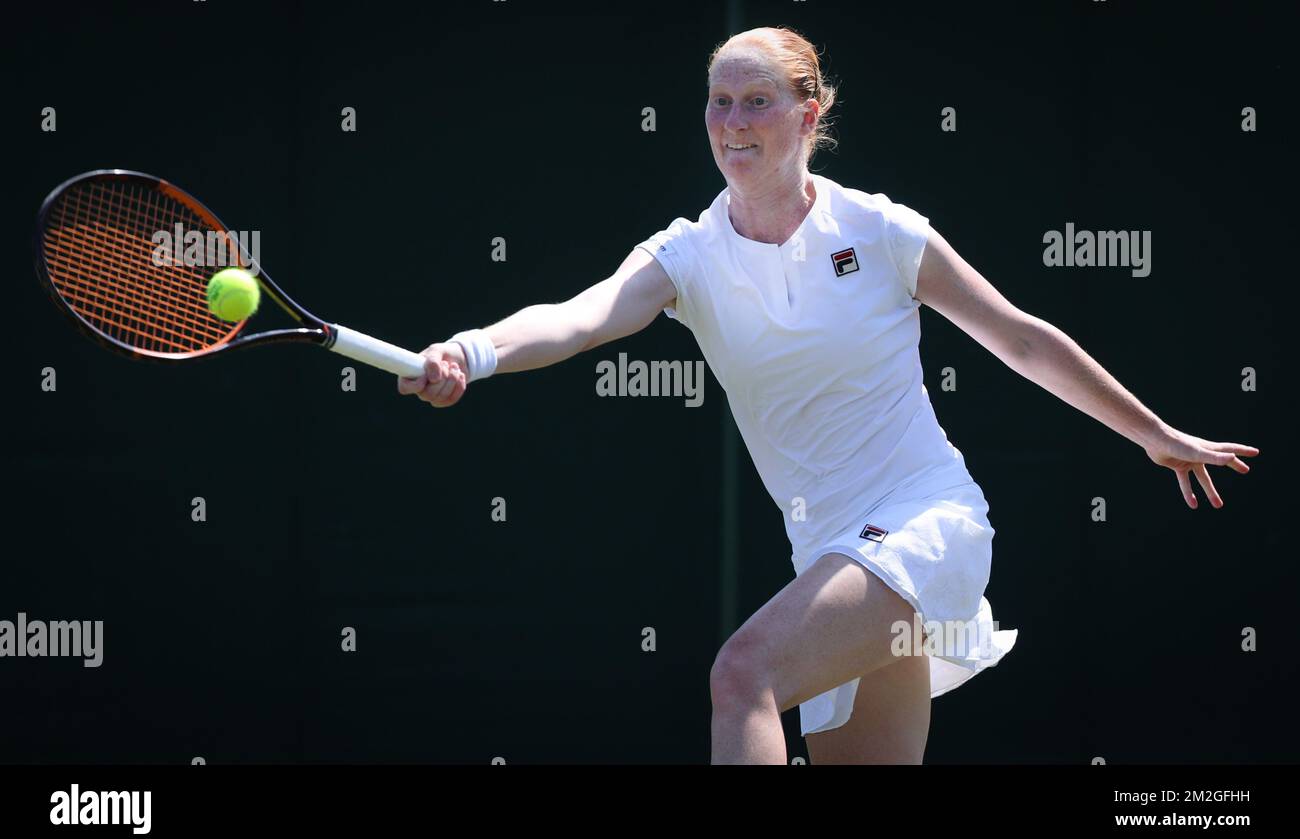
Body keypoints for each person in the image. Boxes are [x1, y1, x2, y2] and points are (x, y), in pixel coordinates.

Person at [397, 26, 1259, 764]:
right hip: (830, 556)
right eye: (718, 101)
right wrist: (473, 351)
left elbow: (1022, 338)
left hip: (926, 522)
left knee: (743, 674)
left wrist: (1153, 434)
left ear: (809, 114)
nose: (732, 123)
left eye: (756, 101)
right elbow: (576, 320)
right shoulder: (686, 255)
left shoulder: (881, 231)